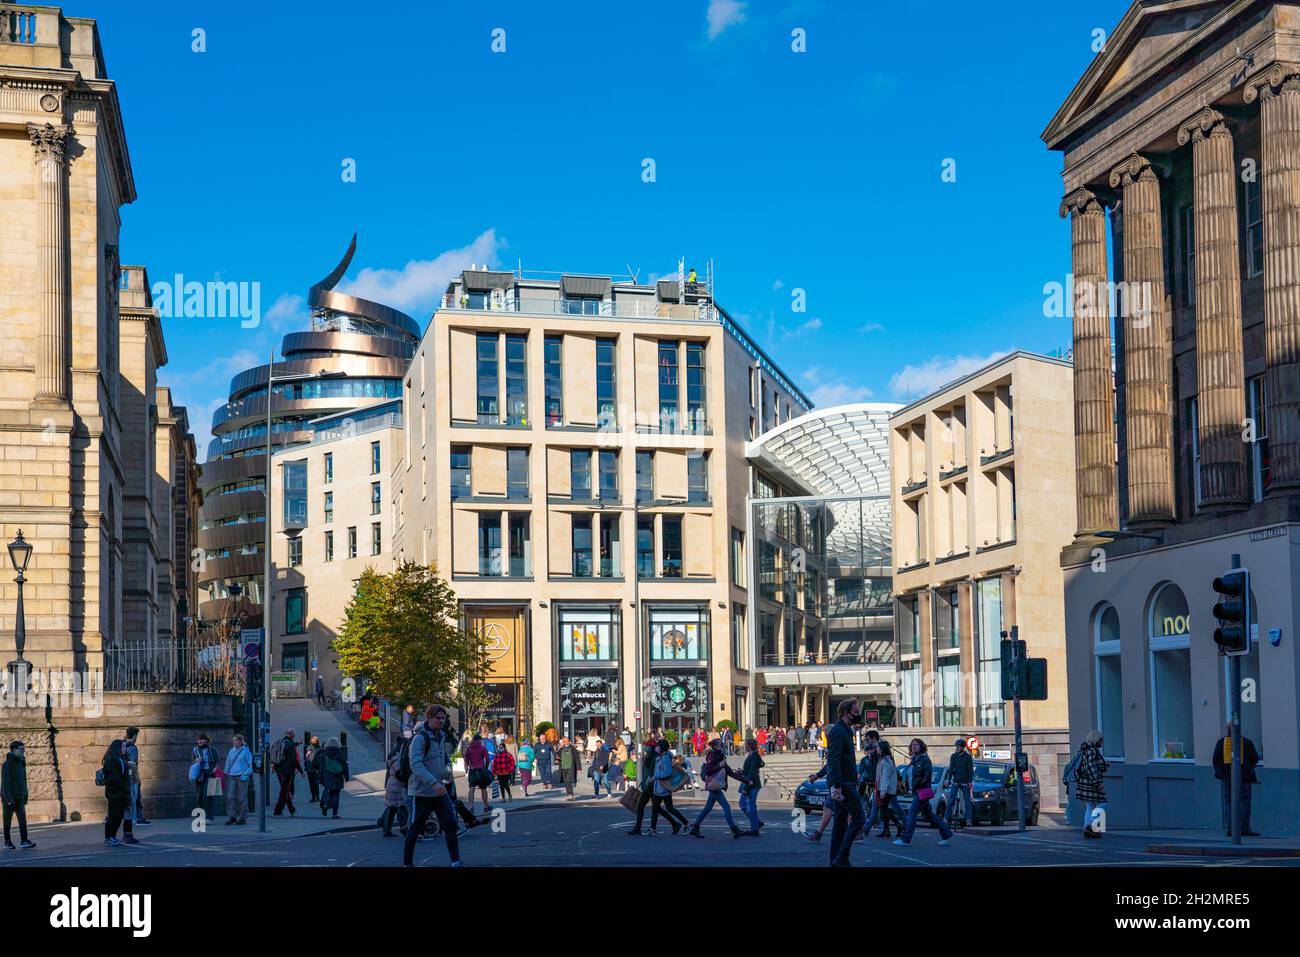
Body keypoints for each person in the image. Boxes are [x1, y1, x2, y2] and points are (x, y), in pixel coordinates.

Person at [404, 704, 463, 867]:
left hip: (439, 791)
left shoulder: (441, 736)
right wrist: (433, 782)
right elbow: (416, 765)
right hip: (422, 792)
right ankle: (407, 863)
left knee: (450, 824)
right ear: (429, 718)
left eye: (443, 718)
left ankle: (456, 862)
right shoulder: (420, 738)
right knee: (415, 829)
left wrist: (446, 777)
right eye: (438, 718)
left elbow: (439, 762)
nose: (441, 721)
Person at [826, 699, 866, 866]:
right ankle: (841, 858)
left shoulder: (845, 731)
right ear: (845, 713)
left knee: (840, 824)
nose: (858, 716)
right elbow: (834, 760)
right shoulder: (838, 732)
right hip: (843, 784)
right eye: (856, 713)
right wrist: (836, 786)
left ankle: (836, 860)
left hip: (845, 782)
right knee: (858, 819)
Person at [894, 738, 953, 847]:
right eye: (912, 745)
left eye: (916, 745)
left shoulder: (924, 759)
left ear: (921, 746)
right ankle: (946, 833)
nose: (914, 747)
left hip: (921, 790)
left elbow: (927, 775)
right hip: (918, 790)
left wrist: (919, 786)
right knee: (929, 815)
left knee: (912, 814)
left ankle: (906, 839)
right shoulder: (914, 759)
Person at [687, 738, 746, 838]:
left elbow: (729, 772)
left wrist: (745, 780)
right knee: (726, 807)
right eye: (721, 744)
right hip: (714, 785)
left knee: (708, 808)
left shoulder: (721, 755)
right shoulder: (712, 755)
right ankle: (734, 830)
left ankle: (695, 827)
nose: (723, 745)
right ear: (715, 746)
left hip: (715, 785)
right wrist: (719, 765)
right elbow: (708, 770)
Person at [1212, 723, 1261, 837]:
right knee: (1245, 802)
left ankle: (1231, 828)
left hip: (1227, 777)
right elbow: (1255, 759)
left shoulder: (1221, 743)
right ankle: (1244, 828)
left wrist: (1222, 773)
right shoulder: (1247, 742)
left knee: (1229, 802)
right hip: (1244, 777)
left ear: (1227, 730)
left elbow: (1215, 760)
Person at [1074, 730, 1109, 838]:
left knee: (1090, 805)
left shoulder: (1085, 750)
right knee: (1103, 803)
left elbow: (1091, 765)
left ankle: (1087, 828)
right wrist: (1098, 783)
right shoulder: (1091, 751)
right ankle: (1091, 826)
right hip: (1090, 783)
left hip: (1084, 782)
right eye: (1100, 740)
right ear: (1096, 740)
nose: (1102, 742)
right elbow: (1090, 767)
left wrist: (1104, 764)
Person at [102, 738, 137, 846]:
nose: (125, 749)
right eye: (123, 747)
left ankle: (112, 836)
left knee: (118, 816)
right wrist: (124, 789)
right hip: (115, 793)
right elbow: (114, 778)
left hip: (121, 793)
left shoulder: (120, 759)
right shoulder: (112, 760)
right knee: (113, 816)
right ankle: (108, 838)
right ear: (117, 748)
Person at [649, 740, 689, 834]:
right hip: (660, 787)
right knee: (662, 807)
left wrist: (655, 777)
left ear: (661, 747)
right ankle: (683, 824)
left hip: (663, 787)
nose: (656, 748)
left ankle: (685, 824)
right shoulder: (661, 757)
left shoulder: (665, 758)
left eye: (658, 746)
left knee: (662, 808)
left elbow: (667, 772)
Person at [1, 741, 34, 849]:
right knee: (7, 820)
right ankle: (7, 841)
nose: (23, 752)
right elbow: (6, 783)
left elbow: (23, 780)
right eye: (21, 749)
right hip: (9, 798)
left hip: (20, 796)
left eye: (23, 749)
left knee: (22, 819)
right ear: (14, 750)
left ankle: (24, 841)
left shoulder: (21, 762)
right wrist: (9, 799)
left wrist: (25, 795)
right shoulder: (7, 764)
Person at [627, 732, 660, 834]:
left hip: (651, 786)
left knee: (654, 808)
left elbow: (652, 772)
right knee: (647, 807)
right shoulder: (648, 758)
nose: (646, 749)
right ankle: (638, 828)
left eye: (648, 747)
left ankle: (645, 828)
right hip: (647, 786)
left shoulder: (654, 758)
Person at [943, 737, 974, 829]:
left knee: (967, 801)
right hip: (956, 780)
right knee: (951, 800)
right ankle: (946, 818)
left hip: (965, 781)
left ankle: (968, 819)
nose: (957, 748)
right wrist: (948, 780)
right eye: (956, 746)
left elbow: (970, 770)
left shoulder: (967, 757)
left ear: (963, 748)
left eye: (959, 746)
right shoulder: (953, 756)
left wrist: (970, 782)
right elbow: (951, 768)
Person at [314, 737, 349, 818]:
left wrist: (321, 779)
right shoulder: (340, 754)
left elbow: (321, 768)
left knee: (329, 792)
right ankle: (334, 814)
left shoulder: (323, 754)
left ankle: (326, 805)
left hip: (327, 777)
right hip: (337, 777)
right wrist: (346, 777)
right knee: (336, 794)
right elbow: (345, 766)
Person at [872, 740, 901, 838]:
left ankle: (889, 829)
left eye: (878, 748)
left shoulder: (886, 761)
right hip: (882, 788)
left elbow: (886, 777)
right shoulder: (882, 760)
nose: (877, 750)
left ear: (882, 749)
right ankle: (892, 827)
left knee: (883, 809)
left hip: (886, 789)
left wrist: (883, 791)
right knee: (884, 809)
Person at [222, 733, 253, 825]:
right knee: (230, 796)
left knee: (242, 798)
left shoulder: (246, 751)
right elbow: (228, 761)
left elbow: (251, 764)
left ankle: (243, 817)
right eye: (233, 740)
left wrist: (246, 773)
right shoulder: (231, 751)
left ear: (240, 741)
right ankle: (232, 816)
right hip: (232, 776)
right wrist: (226, 771)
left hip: (241, 777)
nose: (234, 742)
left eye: (235, 740)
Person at [122, 726, 149, 827]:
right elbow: (132, 764)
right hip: (132, 776)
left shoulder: (122, 745)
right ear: (134, 736)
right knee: (134, 797)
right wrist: (136, 777)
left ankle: (138, 818)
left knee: (134, 797)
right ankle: (135, 819)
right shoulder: (133, 748)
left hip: (123, 775)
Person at [738, 738, 765, 836]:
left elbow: (753, 772)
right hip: (749, 782)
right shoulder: (753, 755)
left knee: (750, 806)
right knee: (743, 804)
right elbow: (759, 765)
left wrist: (746, 788)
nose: (744, 746)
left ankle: (754, 829)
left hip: (751, 784)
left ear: (749, 746)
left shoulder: (753, 756)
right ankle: (756, 823)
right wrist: (742, 772)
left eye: (745, 744)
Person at [272, 729, 303, 816]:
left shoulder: (280, 742)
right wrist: (301, 771)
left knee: (285, 790)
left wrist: (274, 766)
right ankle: (277, 811)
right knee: (284, 791)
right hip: (287, 771)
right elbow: (293, 760)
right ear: (292, 735)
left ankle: (291, 809)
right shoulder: (291, 745)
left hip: (279, 770)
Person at [190, 733, 220, 821]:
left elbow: (217, 761)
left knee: (208, 796)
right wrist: (195, 760)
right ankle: (200, 817)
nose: (199, 741)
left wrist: (215, 768)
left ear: (206, 740)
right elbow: (192, 761)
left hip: (211, 774)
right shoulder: (195, 750)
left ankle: (209, 818)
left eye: (201, 739)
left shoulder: (213, 750)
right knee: (199, 796)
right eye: (198, 740)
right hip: (200, 775)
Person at [381, 741, 408, 836]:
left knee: (391, 808)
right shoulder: (398, 761)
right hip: (397, 786)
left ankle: (386, 829)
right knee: (401, 807)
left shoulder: (393, 759)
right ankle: (403, 827)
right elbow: (400, 774)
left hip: (391, 784)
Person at [464, 734, 492, 813]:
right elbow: (487, 760)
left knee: (472, 789)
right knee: (483, 789)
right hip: (481, 770)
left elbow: (466, 760)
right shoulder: (483, 748)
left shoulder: (469, 749)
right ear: (479, 740)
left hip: (473, 771)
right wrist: (485, 768)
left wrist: (469, 766)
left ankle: (471, 806)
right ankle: (486, 806)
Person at [557, 736, 582, 800]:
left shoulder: (573, 749)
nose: (566, 742)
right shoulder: (561, 749)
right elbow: (557, 756)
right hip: (563, 767)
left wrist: (579, 768)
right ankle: (569, 794)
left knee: (569, 780)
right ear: (563, 742)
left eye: (567, 741)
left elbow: (577, 758)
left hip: (570, 767)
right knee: (565, 781)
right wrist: (557, 759)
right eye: (564, 741)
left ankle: (570, 794)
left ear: (569, 741)